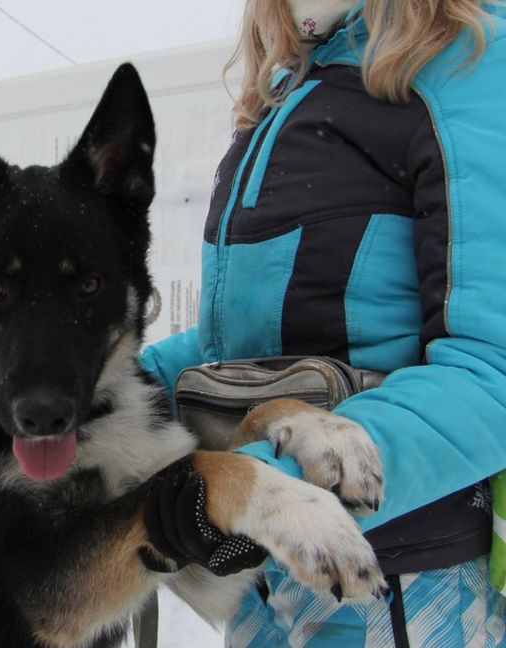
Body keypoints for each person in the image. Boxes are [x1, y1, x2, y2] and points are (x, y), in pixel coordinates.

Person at [140, 0, 506, 646]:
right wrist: (110, 389)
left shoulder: (467, 63)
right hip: (265, 567)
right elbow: (247, 342)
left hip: (397, 576)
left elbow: (490, 369)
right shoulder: (295, 86)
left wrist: (273, 488)